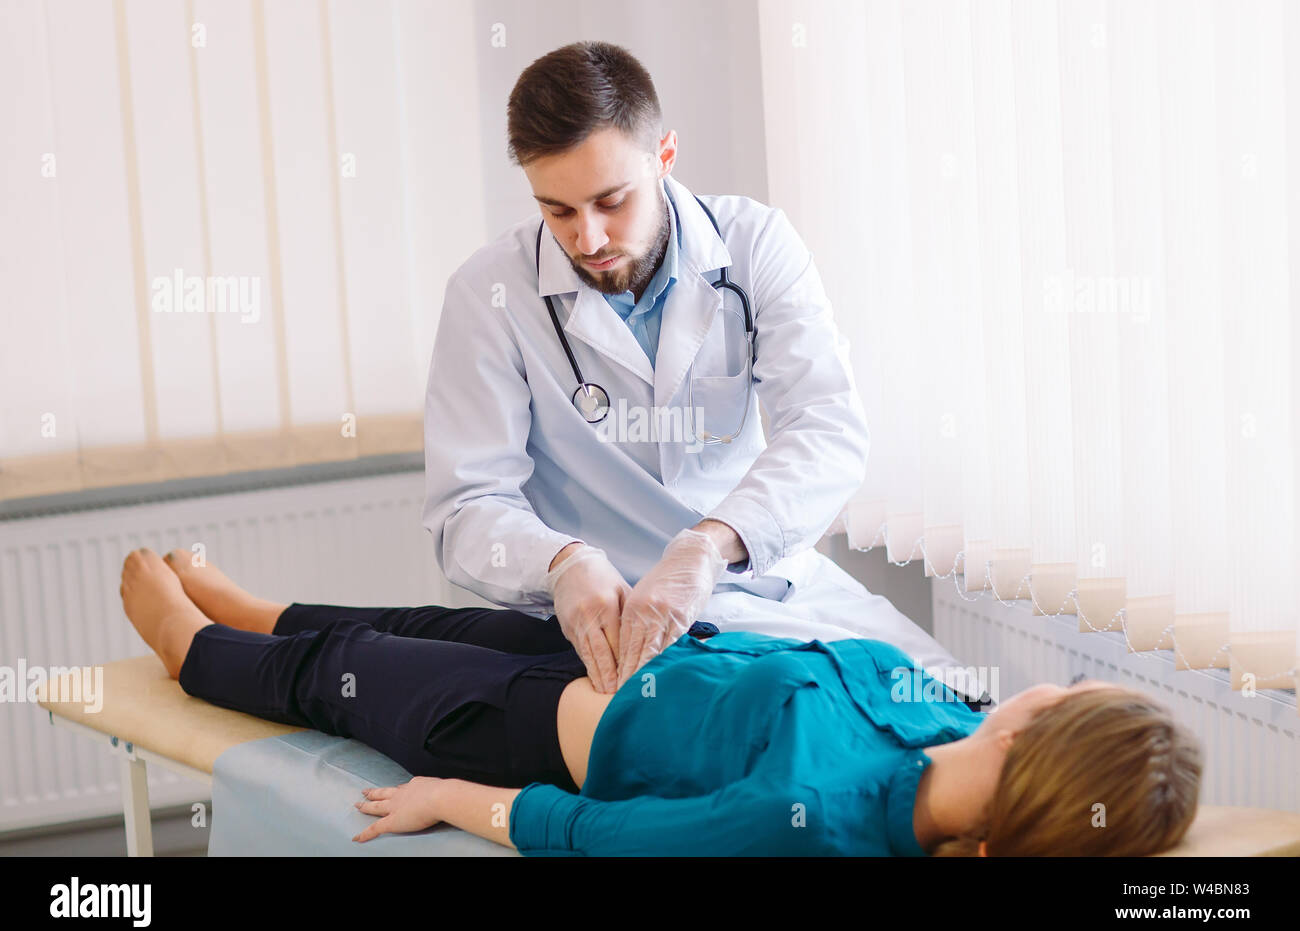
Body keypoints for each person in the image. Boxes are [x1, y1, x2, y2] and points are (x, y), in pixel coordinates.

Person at [422, 40, 984, 701]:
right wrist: (561, 563)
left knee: (965, 706)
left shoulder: (754, 245)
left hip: (767, 578)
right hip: (612, 622)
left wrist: (709, 545)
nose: (589, 239)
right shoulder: (488, 294)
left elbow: (826, 430)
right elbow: (468, 505)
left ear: (664, 155)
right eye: (559, 211)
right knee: (811, 732)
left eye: (611, 201)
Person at [121, 548, 1202, 856]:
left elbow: (611, 830)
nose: (1055, 680)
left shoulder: (819, 813)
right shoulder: (948, 716)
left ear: (1037, 733)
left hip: (524, 725)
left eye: (1078, 688)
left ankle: (188, 647)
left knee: (346, 667)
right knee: (423, 617)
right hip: (623, 646)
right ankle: (256, 606)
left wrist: (461, 799)